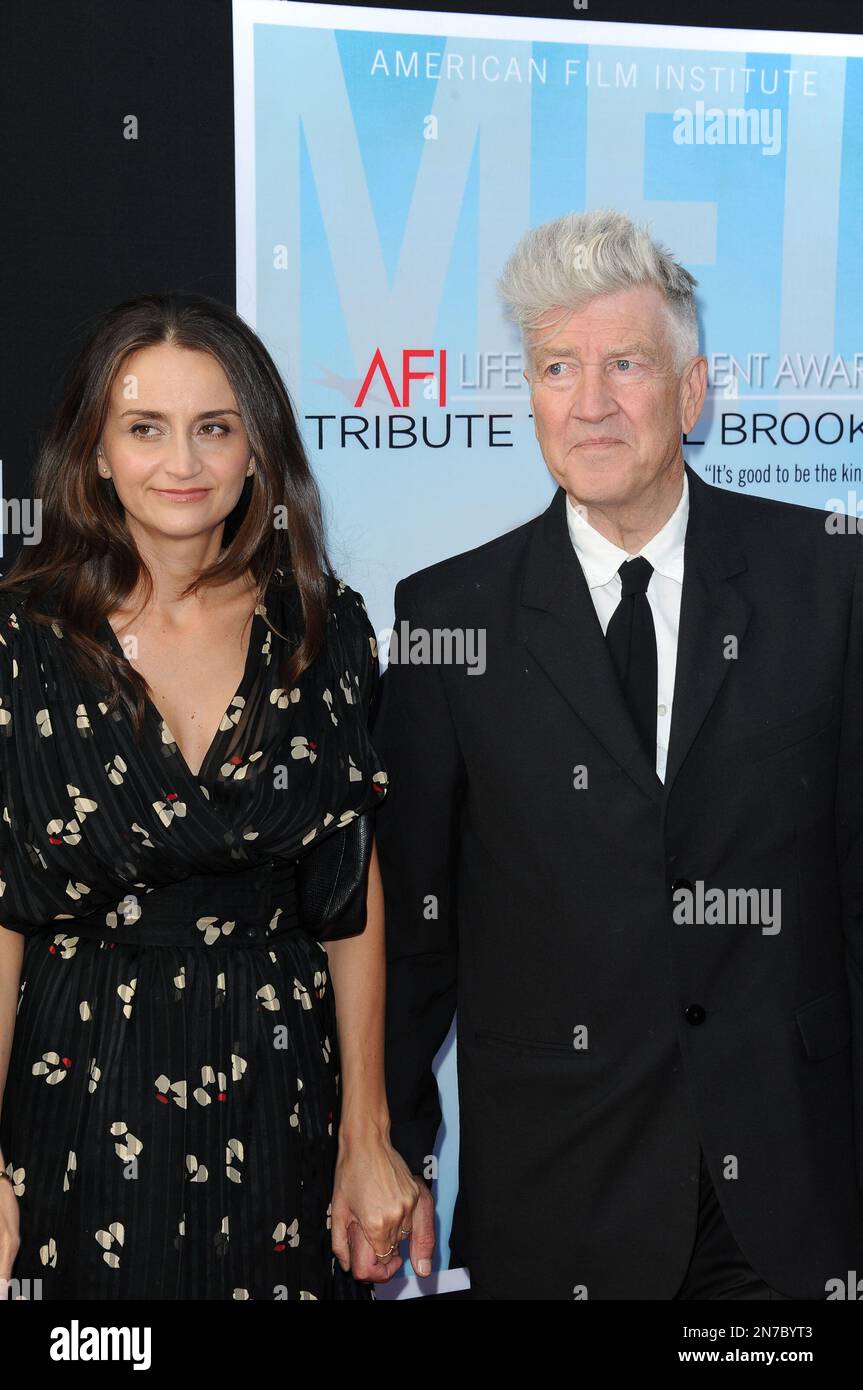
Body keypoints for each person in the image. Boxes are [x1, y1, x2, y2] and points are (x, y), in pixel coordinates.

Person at [372, 208, 863, 1300]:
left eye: (625, 363)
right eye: (557, 367)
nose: (588, 402)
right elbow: (414, 927)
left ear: (691, 392)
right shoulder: (446, 615)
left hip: (787, 1200)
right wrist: (391, 1145)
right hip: (556, 1197)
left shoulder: (827, 581)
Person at [0, 291, 422, 1300]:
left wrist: (365, 1135)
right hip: (80, 1074)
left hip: (277, 1077)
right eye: (145, 428)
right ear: (97, 452)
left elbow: (348, 899)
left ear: (254, 454)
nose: (181, 462)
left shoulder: (322, 631)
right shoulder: (21, 644)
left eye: (213, 429)